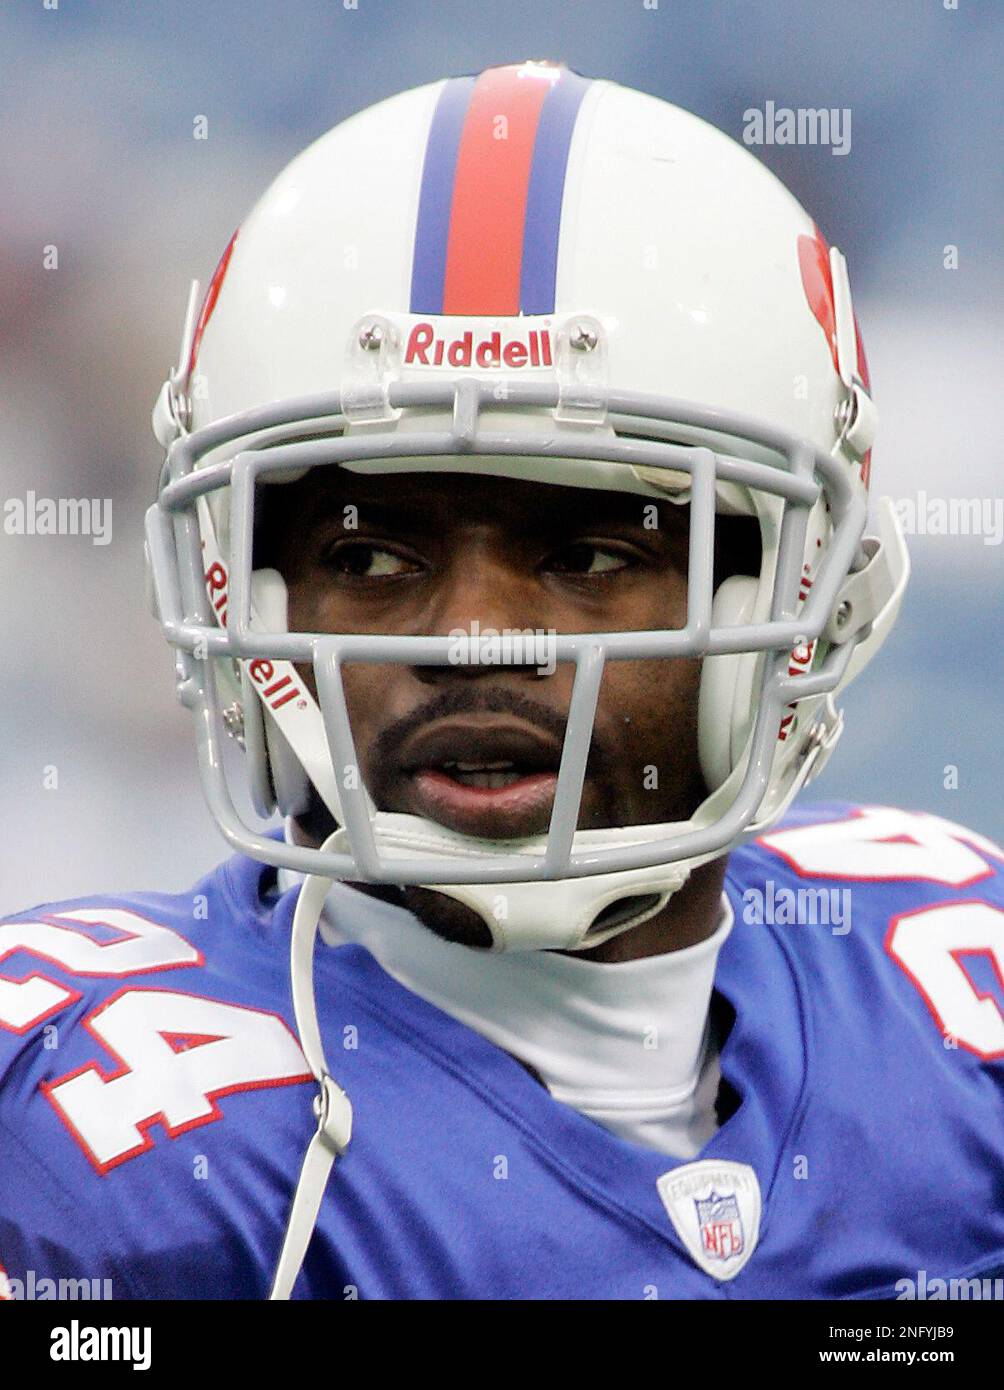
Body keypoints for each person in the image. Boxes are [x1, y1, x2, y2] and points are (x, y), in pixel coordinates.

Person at [2, 60, 1001, 1302]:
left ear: (799, 596)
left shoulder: (959, 996)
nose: (473, 635)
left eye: (589, 553)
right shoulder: (70, 1124)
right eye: (367, 554)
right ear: (245, 604)